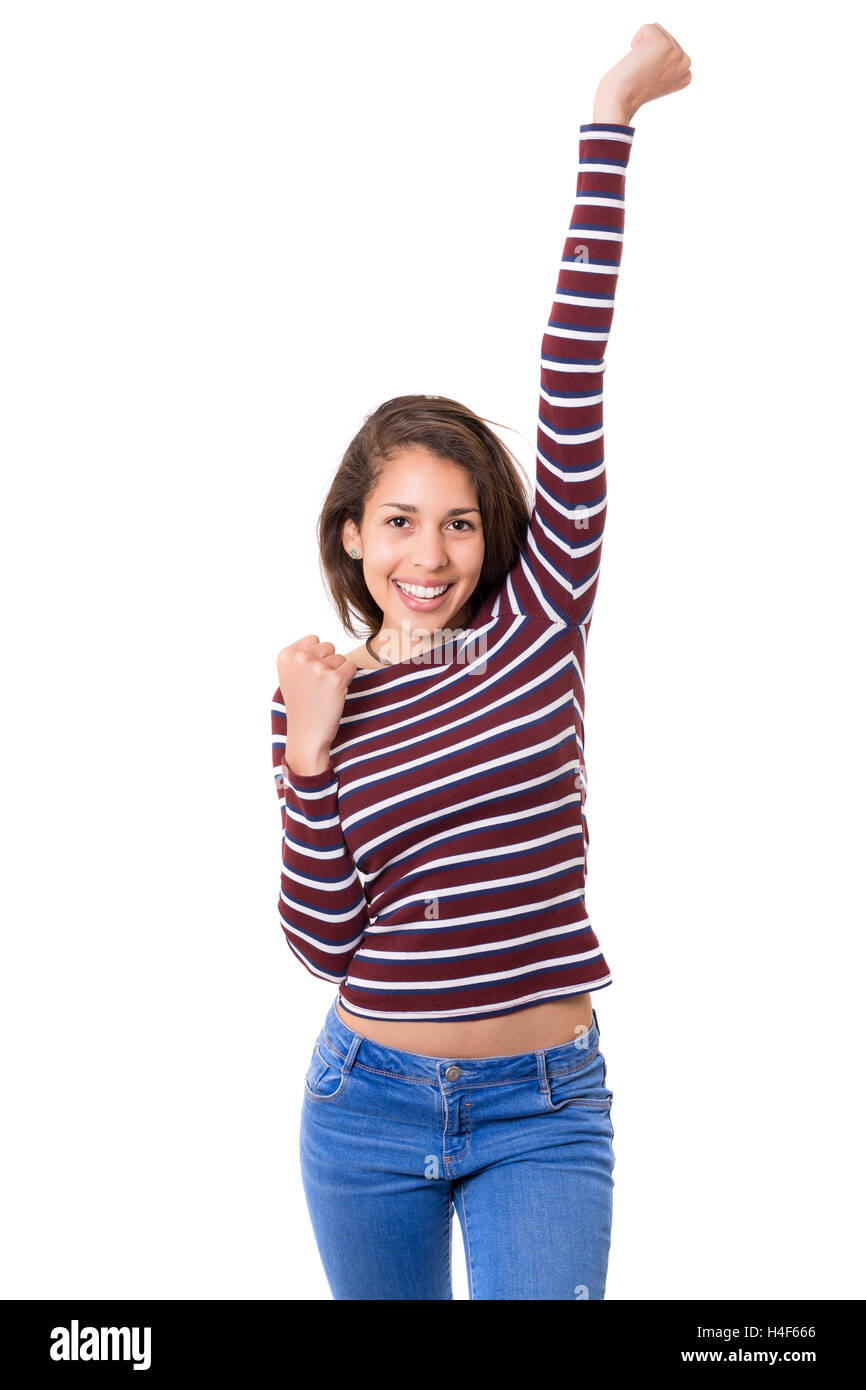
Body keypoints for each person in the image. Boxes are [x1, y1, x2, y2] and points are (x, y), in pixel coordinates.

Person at [271, 23, 691, 1299]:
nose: (429, 551)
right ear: (352, 533)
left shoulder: (539, 612)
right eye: (398, 519)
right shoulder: (315, 688)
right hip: (364, 1105)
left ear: (494, 530)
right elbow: (321, 939)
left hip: (543, 1107)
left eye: (458, 519)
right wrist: (304, 746)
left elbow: (571, 370)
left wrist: (609, 116)